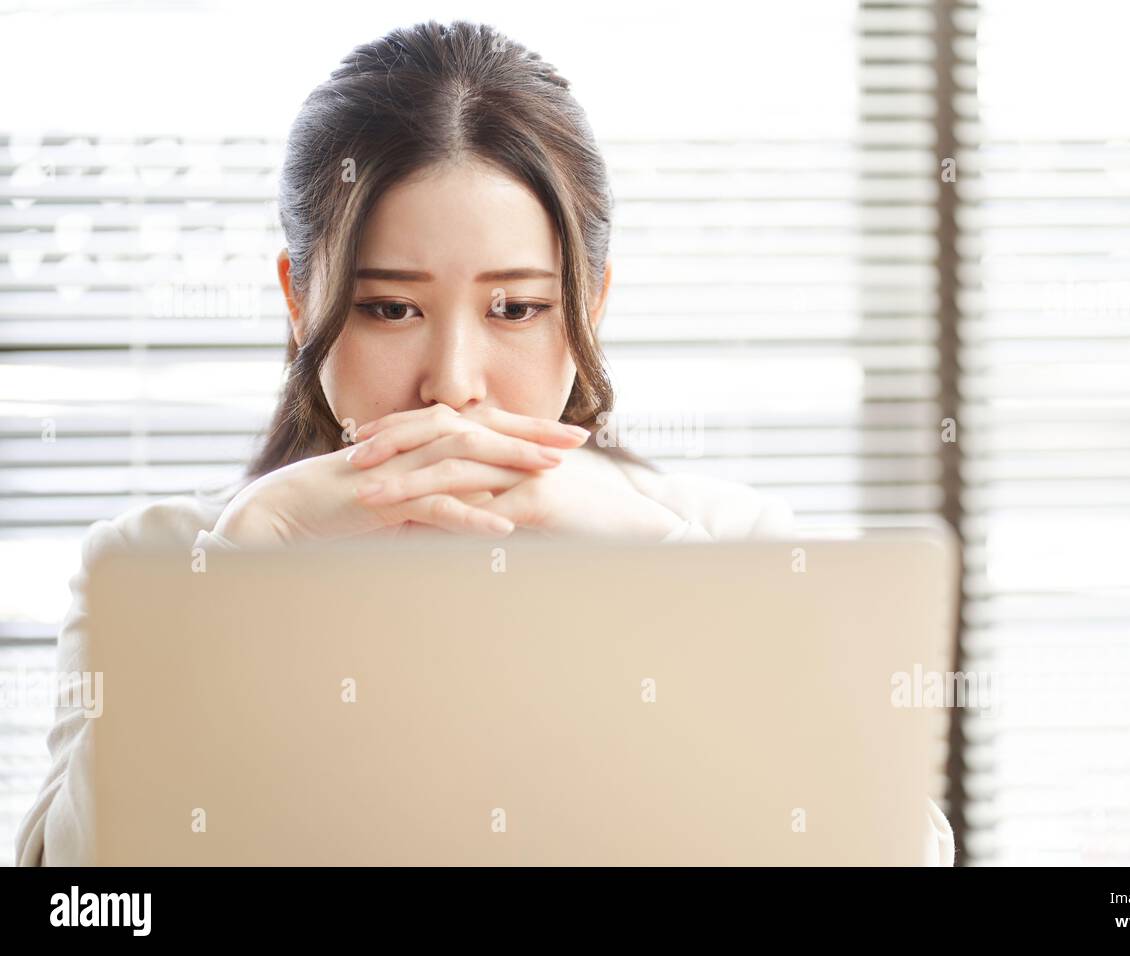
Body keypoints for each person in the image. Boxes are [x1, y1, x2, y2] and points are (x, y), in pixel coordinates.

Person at [14, 19, 954, 867]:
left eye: (515, 308)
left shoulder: (728, 543)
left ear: (588, 308)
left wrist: (666, 574)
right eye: (389, 308)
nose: (452, 380)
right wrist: (241, 576)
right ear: (301, 304)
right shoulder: (155, 568)